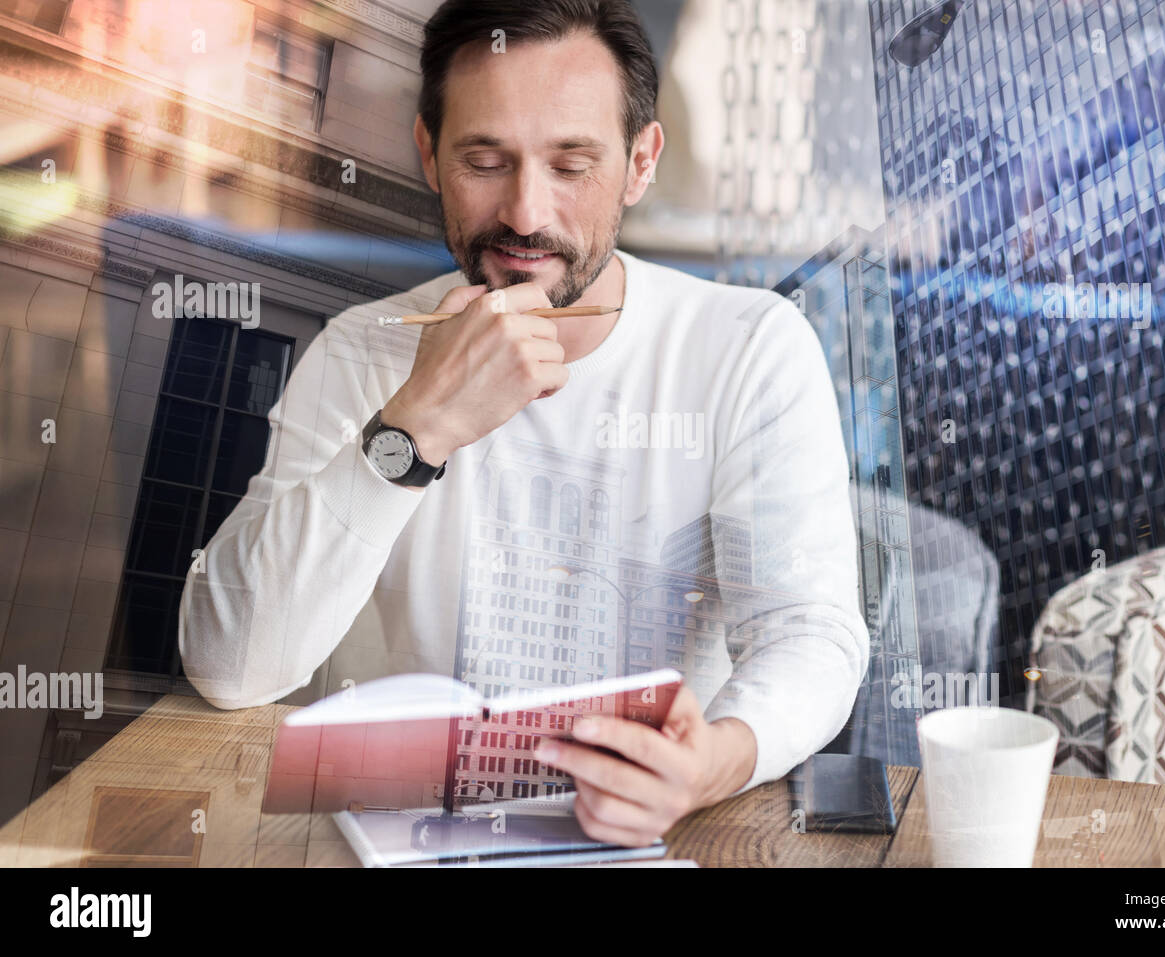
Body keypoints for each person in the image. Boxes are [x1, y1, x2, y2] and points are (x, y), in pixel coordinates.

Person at [179, 0, 868, 847]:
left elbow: (811, 634)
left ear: (640, 162)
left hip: (644, 839)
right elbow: (228, 665)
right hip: (392, 841)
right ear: (430, 154)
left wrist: (709, 763)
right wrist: (415, 428)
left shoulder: (746, 349)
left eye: (572, 164)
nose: (524, 214)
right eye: (484, 159)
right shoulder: (365, 352)